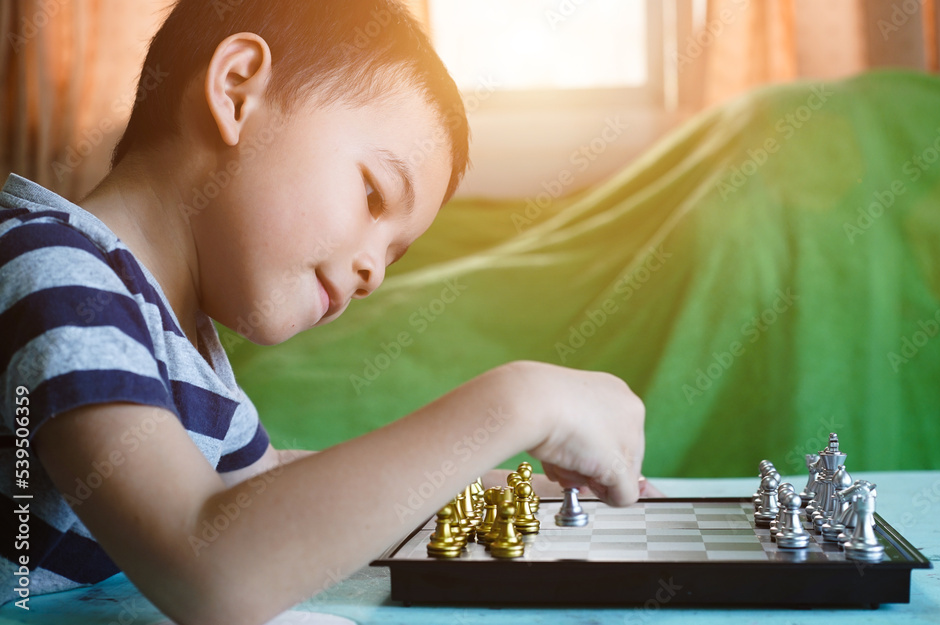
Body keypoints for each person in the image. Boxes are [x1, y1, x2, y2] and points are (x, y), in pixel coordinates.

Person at [0, 1, 647, 622]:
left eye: (395, 253)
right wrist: (519, 400)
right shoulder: (56, 273)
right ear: (235, 91)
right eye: (373, 194)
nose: (374, 271)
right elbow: (209, 568)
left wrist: (511, 486)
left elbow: (258, 488)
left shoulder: (181, 345)